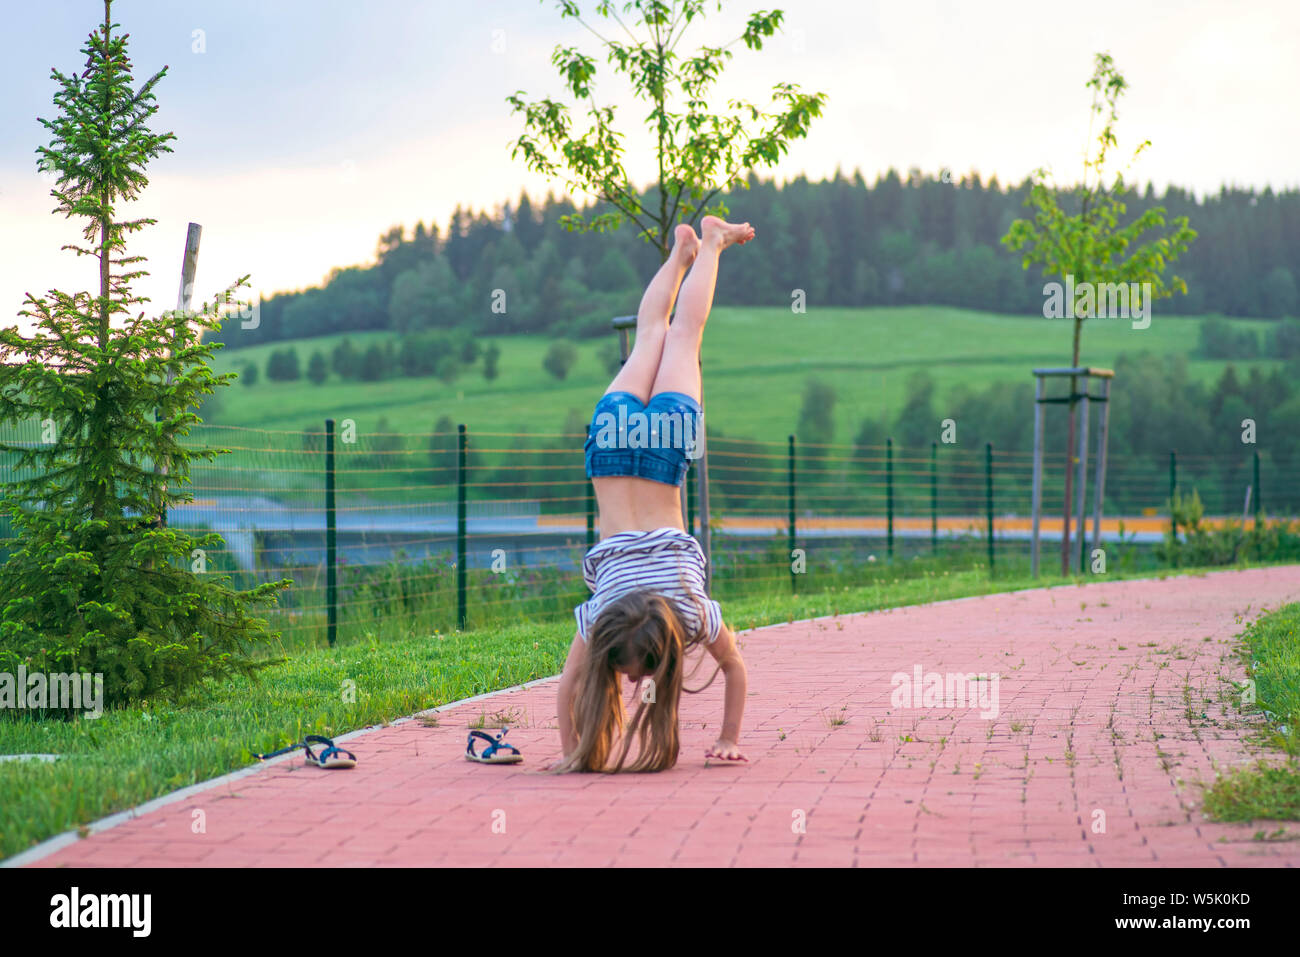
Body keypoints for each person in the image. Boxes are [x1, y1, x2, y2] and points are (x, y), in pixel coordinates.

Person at [551, 215, 755, 773]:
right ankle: (685, 248)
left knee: (678, 336)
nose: (635, 679)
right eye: (640, 672)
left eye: (630, 671)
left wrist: (576, 755)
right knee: (656, 336)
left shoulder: (685, 613)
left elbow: (736, 668)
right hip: (612, 449)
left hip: (663, 453)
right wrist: (726, 740)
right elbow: (567, 690)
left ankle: (702, 245)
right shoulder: (606, 615)